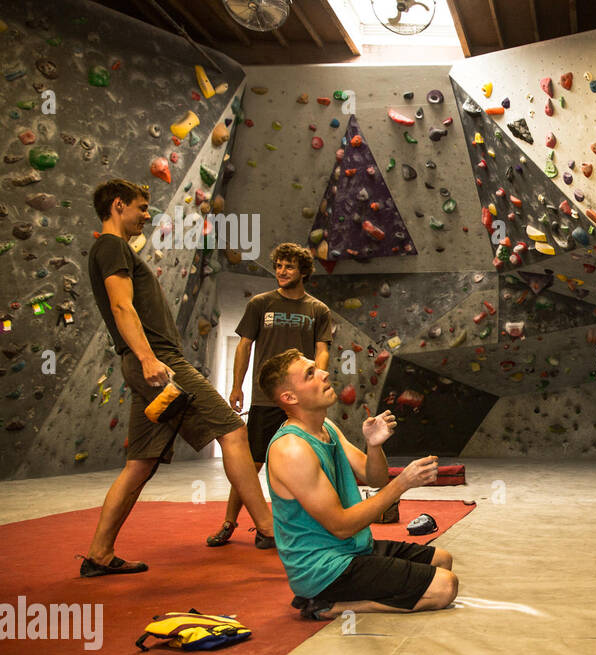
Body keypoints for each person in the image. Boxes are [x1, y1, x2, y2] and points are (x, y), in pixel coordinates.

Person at [81, 179, 275, 578]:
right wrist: (149, 358)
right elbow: (121, 306)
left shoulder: (110, 249)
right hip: (159, 364)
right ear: (118, 206)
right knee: (234, 431)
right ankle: (271, 530)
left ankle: (99, 554)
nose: (147, 215)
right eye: (141, 206)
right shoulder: (112, 246)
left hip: (147, 364)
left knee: (140, 463)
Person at [259, 348, 457, 619]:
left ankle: (340, 597)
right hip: (325, 568)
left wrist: (374, 446)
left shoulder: (326, 426)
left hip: (353, 549)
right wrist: (402, 483)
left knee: (443, 560)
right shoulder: (292, 449)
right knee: (445, 587)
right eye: (310, 374)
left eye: (316, 368)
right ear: (290, 397)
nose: (324, 373)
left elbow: (374, 477)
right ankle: (330, 605)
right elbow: (341, 526)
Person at [207, 243, 332, 548]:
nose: (281, 271)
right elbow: (243, 346)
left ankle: (310, 527)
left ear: (303, 271)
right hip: (266, 399)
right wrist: (236, 386)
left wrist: (314, 384)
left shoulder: (317, 309)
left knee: (310, 463)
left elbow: (322, 350)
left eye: (288, 266)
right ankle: (229, 522)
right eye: (278, 266)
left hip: (300, 401)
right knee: (250, 466)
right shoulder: (260, 304)